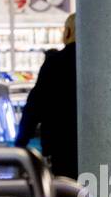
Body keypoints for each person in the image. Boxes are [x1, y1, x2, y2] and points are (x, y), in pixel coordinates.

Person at [14, 13, 77, 179]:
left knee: (68, 194)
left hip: (61, 146)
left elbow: (34, 106)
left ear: (68, 32)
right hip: (97, 144)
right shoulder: (102, 63)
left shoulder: (55, 63)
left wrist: (20, 143)